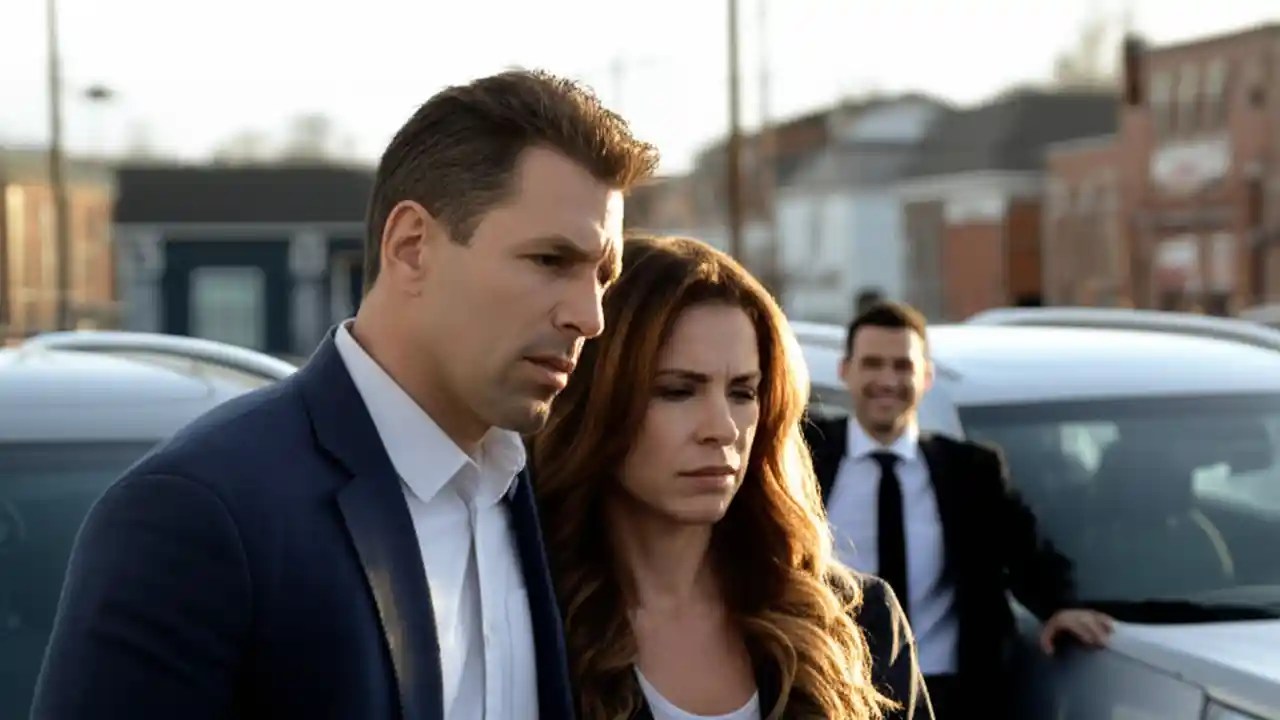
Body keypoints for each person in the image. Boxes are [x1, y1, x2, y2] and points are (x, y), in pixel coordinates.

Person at [32, 69, 659, 719]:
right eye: (551, 261)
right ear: (412, 246)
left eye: (602, 276)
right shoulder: (201, 513)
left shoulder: (548, 501)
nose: (591, 317)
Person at [529, 235, 933, 720]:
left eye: (743, 392)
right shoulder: (529, 623)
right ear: (598, 403)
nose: (721, 429)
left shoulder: (856, 621)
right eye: (677, 391)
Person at [804, 300, 1114, 719]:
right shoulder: (806, 456)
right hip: (832, 682)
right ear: (846, 371)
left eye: (903, 366)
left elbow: (1027, 551)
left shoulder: (972, 471)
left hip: (945, 692)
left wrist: (1061, 606)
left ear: (926, 376)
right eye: (873, 364)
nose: (887, 380)